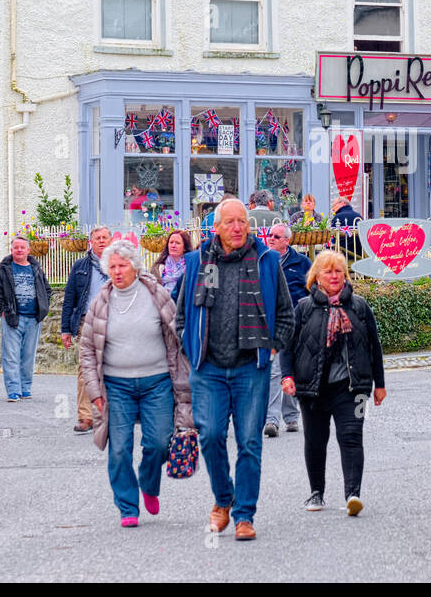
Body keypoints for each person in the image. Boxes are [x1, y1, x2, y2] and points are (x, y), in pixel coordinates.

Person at [173, 198, 295, 541]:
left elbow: (286, 314)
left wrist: (273, 346)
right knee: (210, 435)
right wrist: (190, 345)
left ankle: (244, 515)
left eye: (243, 221)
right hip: (208, 369)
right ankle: (223, 498)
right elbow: (181, 315)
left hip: (250, 369)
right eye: (230, 222)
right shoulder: (198, 261)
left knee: (249, 442)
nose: (238, 227)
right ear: (216, 228)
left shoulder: (267, 261)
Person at [80, 240, 192, 527]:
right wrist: (94, 391)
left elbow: (179, 334)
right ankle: (127, 506)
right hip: (116, 386)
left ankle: (148, 483)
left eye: (122, 265)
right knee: (119, 449)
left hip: (157, 382)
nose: (117, 271)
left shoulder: (156, 294)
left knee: (158, 443)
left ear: (135, 266)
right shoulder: (100, 302)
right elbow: (87, 350)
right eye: (112, 267)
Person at [280, 249, 386, 516]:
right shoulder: (304, 308)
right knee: (315, 441)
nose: (334, 275)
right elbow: (288, 347)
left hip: (354, 387)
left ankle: (353, 494)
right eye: (328, 271)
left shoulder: (359, 306)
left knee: (352, 437)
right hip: (312, 387)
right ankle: (316, 493)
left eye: (339, 271)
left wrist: (379, 384)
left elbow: (374, 346)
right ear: (316, 277)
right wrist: (287, 376)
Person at [0, 235, 51, 402]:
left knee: (28, 355)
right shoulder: (4, 270)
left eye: (23, 247)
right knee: (11, 356)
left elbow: (47, 291)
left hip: (33, 319)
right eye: (16, 247)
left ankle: (25, 388)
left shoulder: (36, 269)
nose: (19, 250)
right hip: (13, 319)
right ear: (12, 250)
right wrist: (3, 310)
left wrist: (43, 308)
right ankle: (13, 391)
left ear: (28, 250)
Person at [61, 225, 112, 434]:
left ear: (111, 240)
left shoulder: (118, 263)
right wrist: (65, 329)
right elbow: (69, 298)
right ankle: (85, 417)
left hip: (113, 321)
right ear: (91, 242)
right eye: (97, 238)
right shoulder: (80, 265)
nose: (101, 241)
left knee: (112, 368)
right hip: (86, 322)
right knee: (85, 369)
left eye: (104, 237)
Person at [262, 223, 310, 437]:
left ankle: (291, 416)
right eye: (269, 235)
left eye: (276, 236)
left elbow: (314, 289)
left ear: (287, 241)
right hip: (272, 325)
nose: (270, 238)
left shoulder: (302, 263)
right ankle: (272, 420)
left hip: (297, 324)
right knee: (274, 372)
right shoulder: (263, 261)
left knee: (292, 370)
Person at [151, 229, 193, 298]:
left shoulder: (191, 267)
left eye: (177, 243)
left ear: (185, 247)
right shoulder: (158, 268)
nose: (173, 245)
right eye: (171, 242)